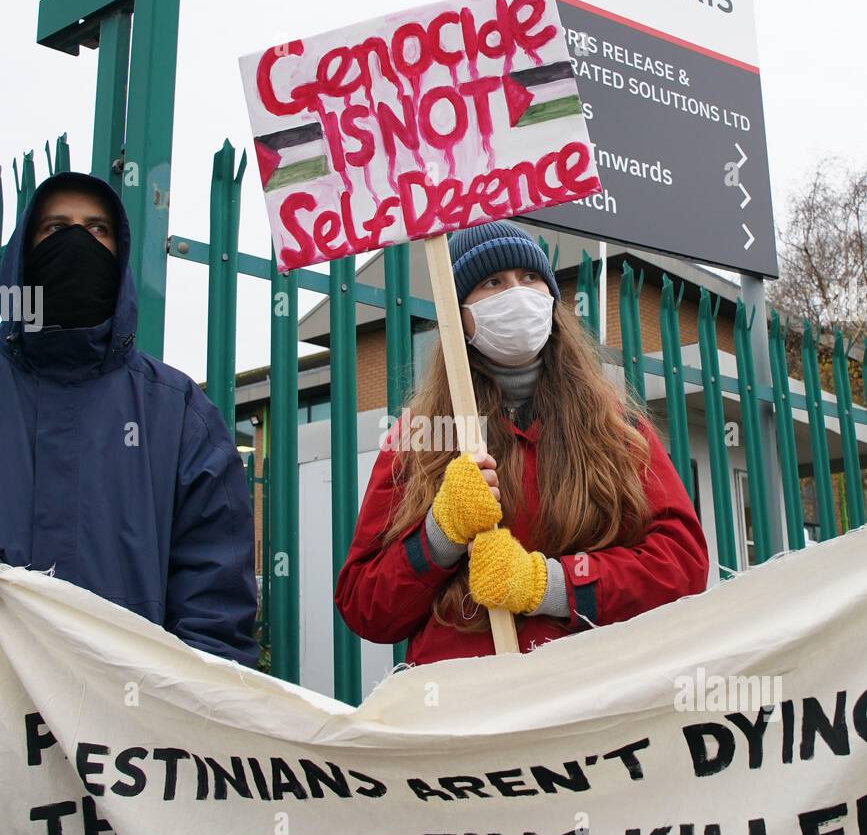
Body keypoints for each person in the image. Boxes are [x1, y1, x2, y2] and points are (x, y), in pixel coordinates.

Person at [335, 219, 709, 664]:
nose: (518, 293)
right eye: (493, 282)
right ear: (460, 317)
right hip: (464, 704)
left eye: (530, 277)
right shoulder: (418, 436)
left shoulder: (616, 423)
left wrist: (547, 585)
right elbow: (365, 607)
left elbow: (681, 564)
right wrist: (438, 535)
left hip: (588, 693)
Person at [0, 171, 259, 666]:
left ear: (118, 253)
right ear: (24, 250)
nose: (77, 240)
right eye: (55, 228)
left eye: (96, 229)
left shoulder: (178, 412)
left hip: (124, 730)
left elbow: (214, 614)